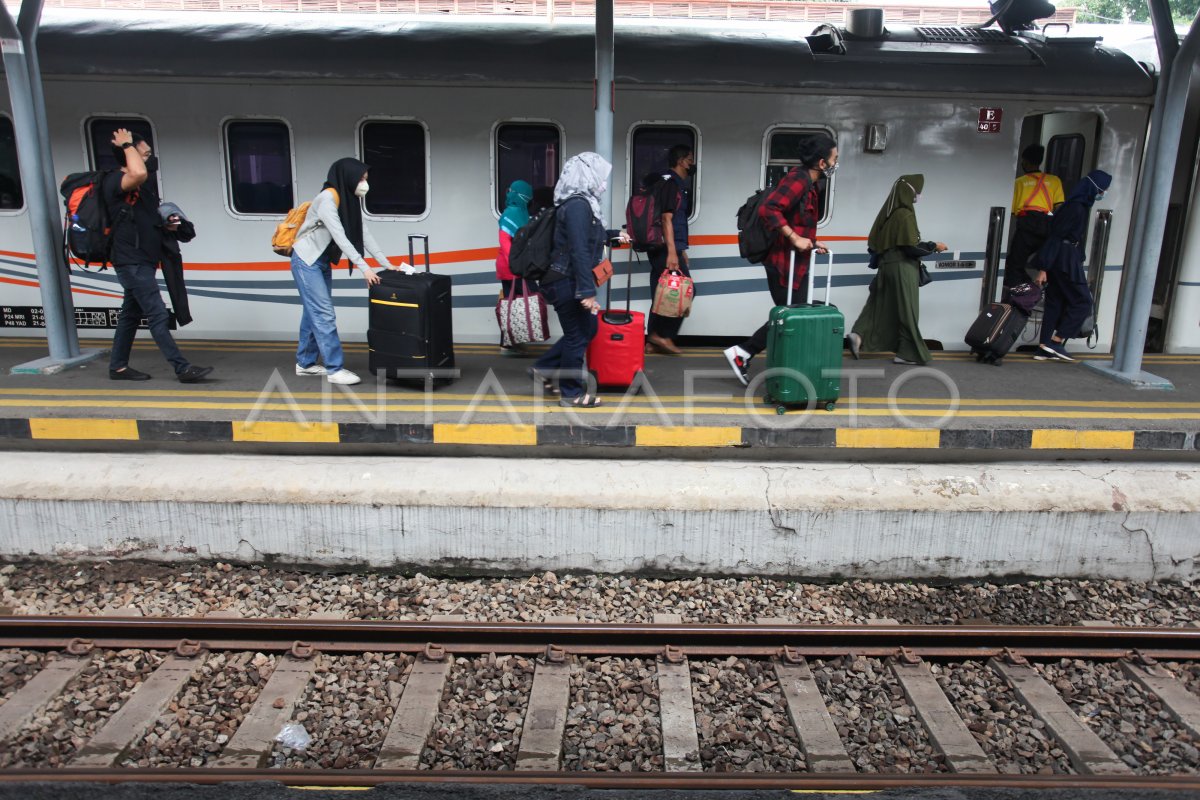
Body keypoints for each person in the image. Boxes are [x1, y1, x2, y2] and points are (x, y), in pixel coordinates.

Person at [723, 134, 837, 386]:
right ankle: (743, 352)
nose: (835, 164)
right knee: (792, 315)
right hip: (784, 264)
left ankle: (759, 357)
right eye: (834, 159)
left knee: (794, 314)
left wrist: (811, 241)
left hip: (796, 263)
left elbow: (796, 219)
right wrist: (795, 238)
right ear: (821, 162)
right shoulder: (798, 179)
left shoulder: (810, 183)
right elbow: (770, 208)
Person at [104, 129, 212, 383]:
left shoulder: (143, 191)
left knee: (130, 316)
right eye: (145, 154)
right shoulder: (116, 182)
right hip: (131, 262)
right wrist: (127, 145)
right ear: (129, 156)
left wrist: (168, 226)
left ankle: (117, 367)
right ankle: (181, 368)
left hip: (143, 262)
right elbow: (138, 172)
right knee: (158, 314)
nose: (150, 159)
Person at [290, 157, 410, 385]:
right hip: (306, 261)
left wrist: (385, 263)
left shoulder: (349, 200)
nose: (364, 184)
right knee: (323, 313)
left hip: (320, 261)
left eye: (365, 179)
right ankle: (334, 369)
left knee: (312, 312)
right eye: (361, 179)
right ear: (348, 177)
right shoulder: (327, 199)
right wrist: (365, 268)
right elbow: (341, 237)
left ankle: (305, 364)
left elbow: (363, 233)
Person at [530, 152, 611, 408]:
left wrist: (613, 235)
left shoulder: (580, 204)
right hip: (566, 279)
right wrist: (586, 291)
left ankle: (544, 368)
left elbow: (584, 237)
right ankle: (571, 393)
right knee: (577, 335)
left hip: (567, 277)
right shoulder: (577, 205)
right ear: (587, 175)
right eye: (601, 176)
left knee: (588, 329)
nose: (603, 182)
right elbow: (578, 249)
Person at [847, 174, 948, 366]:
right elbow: (910, 247)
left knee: (877, 305)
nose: (918, 196)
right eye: (918, 192)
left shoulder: (888, 216)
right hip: (903, 269)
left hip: (886, 267)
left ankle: (858, 334)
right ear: (909, 193)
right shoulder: (905, 215)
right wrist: (934, 246)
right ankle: (908, 353)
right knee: (908, 310)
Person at [1032, 169, 1112, 362]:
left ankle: (1044, 347)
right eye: (1102, 190)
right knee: (1083, 302)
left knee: (1055, 302)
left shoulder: (1074, 205)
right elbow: (1056, 237)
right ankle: (1056, 341)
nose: (1103, 194)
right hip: (1065, 259)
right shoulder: (1076, 208)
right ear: (1094, 189)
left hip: (1061, 258)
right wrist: (1043, 267)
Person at [646, 144, 695, 355]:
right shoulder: (671, 184)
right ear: (681, 161)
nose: (692, 163)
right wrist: (673, 252)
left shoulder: (670, 183)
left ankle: (652, 341)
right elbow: (667, 219)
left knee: (661, 292)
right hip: (665, 248)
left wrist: (681, 250)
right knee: (686, 289)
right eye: (690, 159)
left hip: (663, 247)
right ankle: (663, 336)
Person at [1004, 144, 1064, 289]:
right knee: (1048, 261)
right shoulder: (1054, 180)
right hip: (1048, 224)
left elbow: (1012, 211)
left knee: (1014, 264)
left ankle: (1024, 291)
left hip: (1027, 225)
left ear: (1025, 161)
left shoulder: (1019, 183)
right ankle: (1041, 288)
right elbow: (1060, 207)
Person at [496, 179, 533, 351]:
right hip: (511, 266)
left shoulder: (522, 212)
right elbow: (505, 243)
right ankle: (509, 340)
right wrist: (517, 264)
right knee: (514, 302)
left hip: (517, 265)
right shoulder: (511, 213)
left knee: (513, 302)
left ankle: (512, 339)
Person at [157, 201, 195, 328]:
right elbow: (187, 233)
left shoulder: (161, 211)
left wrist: (173, 221)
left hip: (146, 257)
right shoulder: (163, 209)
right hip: (166, 252)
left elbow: (185, 231)